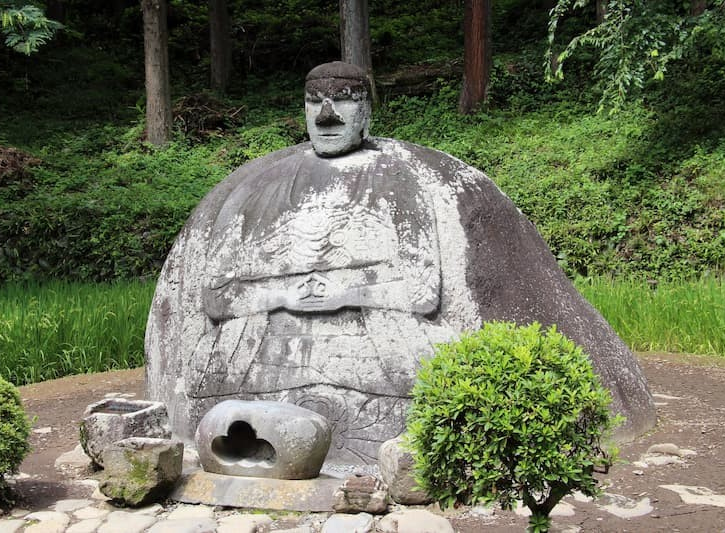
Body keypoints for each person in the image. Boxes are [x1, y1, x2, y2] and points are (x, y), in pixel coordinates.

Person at [145, 62, 656, 464]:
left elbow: (422, 291)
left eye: (344, 100)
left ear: (367, 110)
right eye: (315, 102)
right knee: (206, 377)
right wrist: (283, 294)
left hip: (372, 342)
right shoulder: (261, 187)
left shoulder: (398, 181)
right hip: (270, 343)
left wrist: (344, 293)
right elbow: (217, 296)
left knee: (445, 376)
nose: (327, 116)